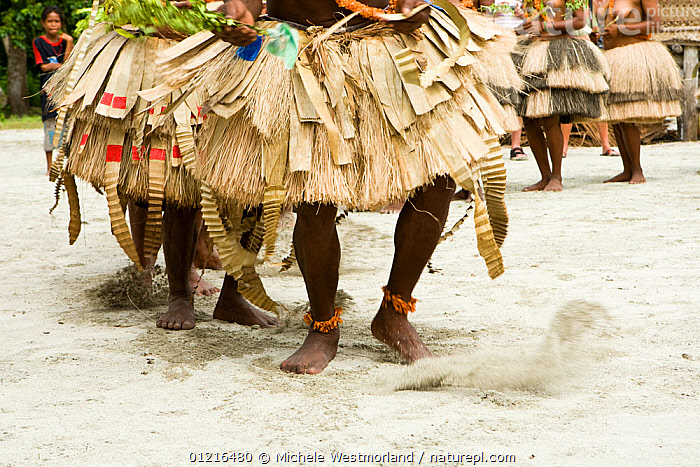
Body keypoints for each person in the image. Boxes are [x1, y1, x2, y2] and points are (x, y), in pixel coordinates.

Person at [154, 0, 510, 373]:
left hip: (385, 43)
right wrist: (238, 9)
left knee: (438, 179)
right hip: (296, 47)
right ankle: (323, 327)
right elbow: (245, 6)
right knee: (314, 193)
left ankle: (394, 313)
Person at [45, 10, 278, 332]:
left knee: (262, 187)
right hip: (166, 57)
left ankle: (233, 295)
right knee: (177, 189)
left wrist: (245, 18)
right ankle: (180, 294)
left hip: (239, 59)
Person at [513, 0, 609, 191]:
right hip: (531, 52)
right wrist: (524, 24)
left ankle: (556, 176)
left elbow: (580, 21)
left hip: (556, 50)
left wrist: (543, 26)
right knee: (529, 119)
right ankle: (544, 176)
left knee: (550, 116)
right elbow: (530, 18)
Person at [594, 0, 681, 184]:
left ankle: (637, 169)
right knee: (616, 117)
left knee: (628, 115)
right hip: (612, 57)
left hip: (632, 55)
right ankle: (627, 168)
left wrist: (621, 30)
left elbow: (655, 23)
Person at [33, 6, 73, 176]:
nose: (53, 24)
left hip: (65, 88)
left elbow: (70, 64)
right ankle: (50, 165)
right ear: (43, 23)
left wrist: (70, 43)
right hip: (48, 90)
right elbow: (43, 66)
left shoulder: (66, 41)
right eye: (50, 21)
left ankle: (65, 163)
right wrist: (60, 65)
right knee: (50, 124)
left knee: (67, 124)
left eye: (56, 21)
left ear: (61, 23)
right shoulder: (39, 42)